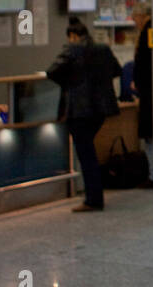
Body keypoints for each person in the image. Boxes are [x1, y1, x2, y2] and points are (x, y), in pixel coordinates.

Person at [46, 17, 120, 212]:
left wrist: (71, 82)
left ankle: (93, 199)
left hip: (79, 110)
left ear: (73, 36)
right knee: (89, 151)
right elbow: (117, 70)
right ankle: (94, 196)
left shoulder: (73, 50)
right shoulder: (103, 49)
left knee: (86, 154)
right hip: (101, 110)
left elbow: (52, 72)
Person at [131, 0, 153, 187]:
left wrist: (137, 82)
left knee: (152, 138)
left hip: (150, 94)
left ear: (142, 15)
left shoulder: (148, 33)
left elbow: (144, 65)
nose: (134, 21)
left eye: (135, 17)